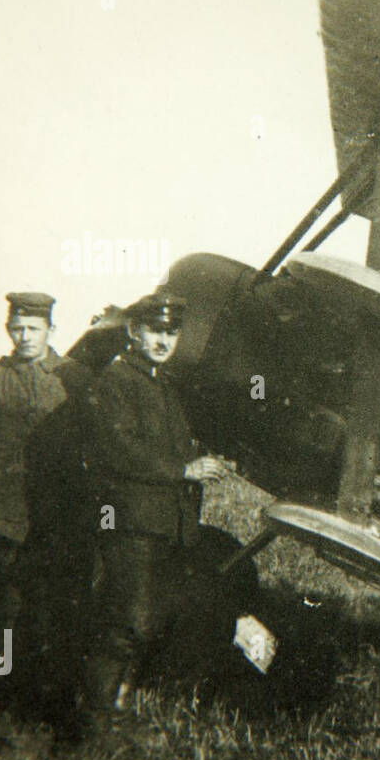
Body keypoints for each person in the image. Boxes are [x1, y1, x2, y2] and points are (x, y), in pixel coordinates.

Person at [80, 290, 231, 715]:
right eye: (155, 331)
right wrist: (184, 471)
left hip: (167, 524)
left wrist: (200, 461)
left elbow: (169, 446)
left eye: (172, 333)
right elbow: (119, 448)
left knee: (150, 620)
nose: (164, 341)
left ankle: (122, 703)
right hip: (134, 525)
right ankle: (94, 719)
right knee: (126, 623)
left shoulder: (162, 384)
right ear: (134, 331)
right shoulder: (117, 381)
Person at [0, 292, 88, 633]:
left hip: (56, 511)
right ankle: (5, 679)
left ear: (51, 329)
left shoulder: (74, 378)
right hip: (2, 514)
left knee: (51, 600)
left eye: (33, 329)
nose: (24, 337)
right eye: (17, 328)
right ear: (8, 329)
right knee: (6, 600)